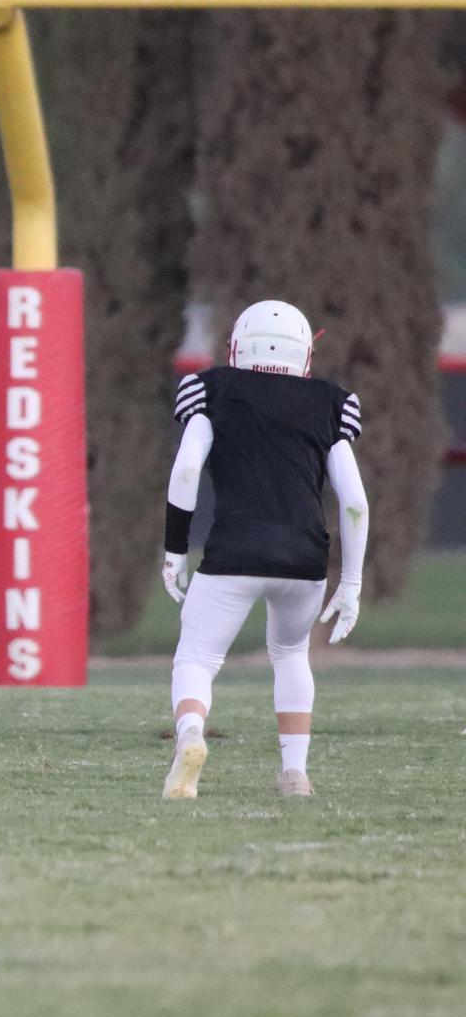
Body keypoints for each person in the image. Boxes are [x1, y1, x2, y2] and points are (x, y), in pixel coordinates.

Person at [161, 300, 367, 800]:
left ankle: (191, 736)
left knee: (198, 656)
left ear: (237, 346)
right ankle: (294, 773)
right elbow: (355, 502)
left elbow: (187, 473)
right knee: (292, 655)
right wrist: (353, 581)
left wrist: (174, 549)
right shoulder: (328, 401)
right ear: (304, 355)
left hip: (235, 549)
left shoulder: (214, 389)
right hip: (304, 556)